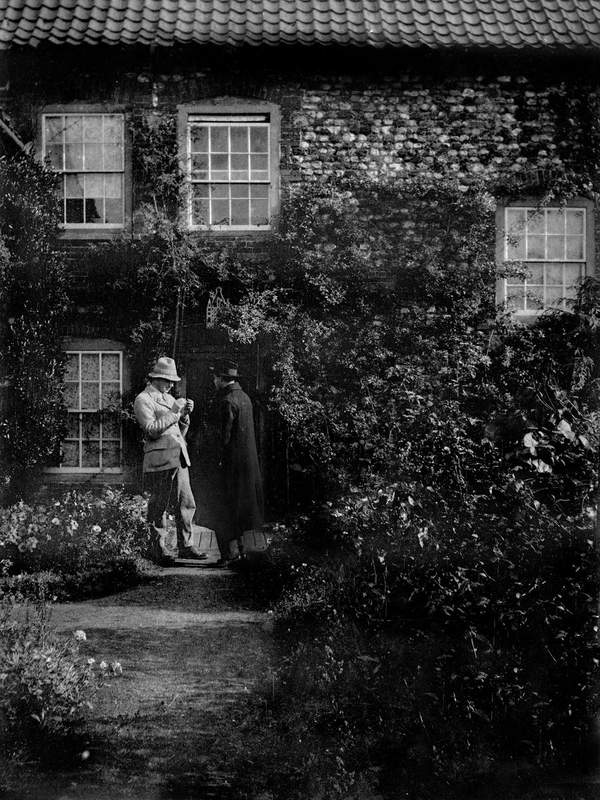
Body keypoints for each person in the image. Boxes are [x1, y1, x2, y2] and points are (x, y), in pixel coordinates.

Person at [133, 356, 206, 565]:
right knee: (159, 504)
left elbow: (178, 433)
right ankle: (159, 548)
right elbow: (151, 431)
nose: (171, 384)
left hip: (178, 457)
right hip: (159, 460)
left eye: (172, 381)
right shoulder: (143, 399)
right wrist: (175, 412)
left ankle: (187, 546)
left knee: (186, 502)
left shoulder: (168, 399)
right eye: (168, 380)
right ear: (156, 378)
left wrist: (185, 418)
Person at [211, 360, 264, 566]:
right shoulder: (245, 398)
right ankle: (242, 551)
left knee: (225, 508)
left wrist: (215, 460)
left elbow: (224, 439)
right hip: (247, 465)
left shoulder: (227, 401)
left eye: (215, 377)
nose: (213, 381)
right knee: (242, 508)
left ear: (223, 379)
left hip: (230, 465)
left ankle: (229, 555)